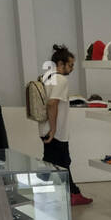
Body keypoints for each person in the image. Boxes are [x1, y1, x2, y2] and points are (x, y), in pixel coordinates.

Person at [38, 44, 92, 207]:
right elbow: (52, 103)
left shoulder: (45, 77)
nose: (72, 68)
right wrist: (54, 129)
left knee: (53, 162)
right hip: (56, 131)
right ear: (60, 64)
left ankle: (72, 193)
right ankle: (72, 194)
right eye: (70, 65)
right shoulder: (60, 79)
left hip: (44, 127)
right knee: (61, 162)